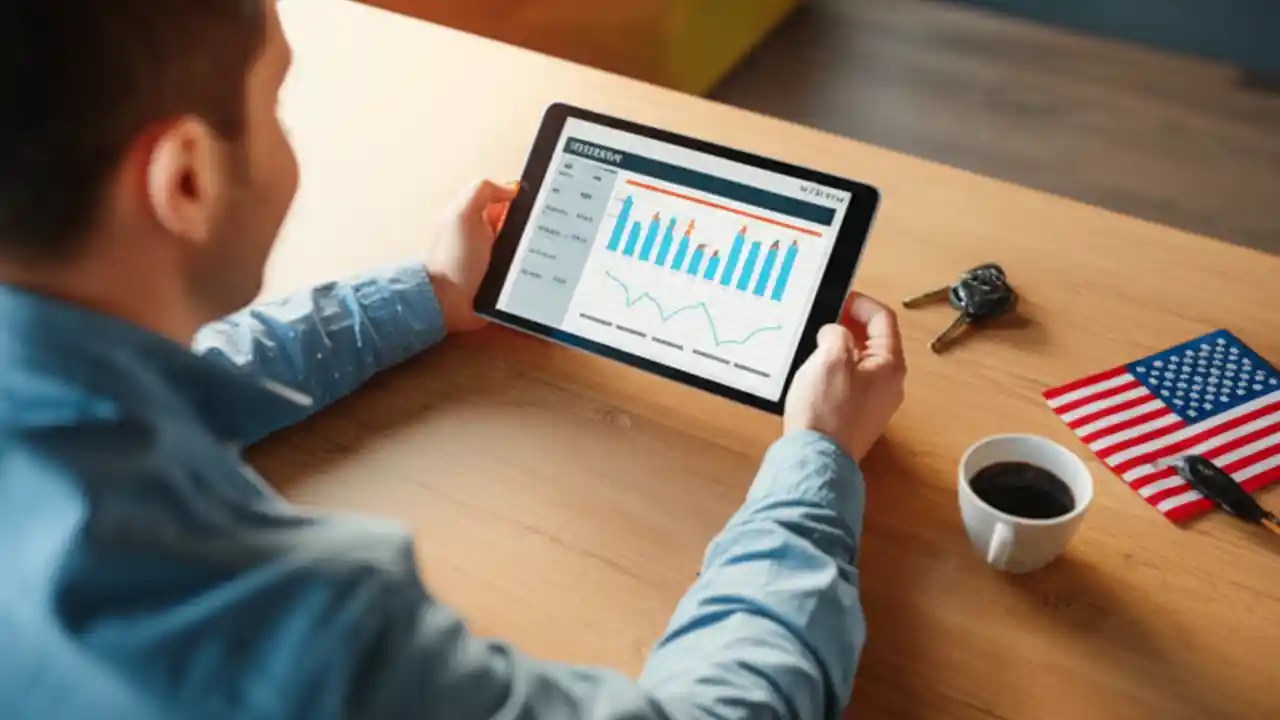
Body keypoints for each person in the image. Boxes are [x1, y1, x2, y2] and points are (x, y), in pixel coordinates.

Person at [0, 1, 905, 718]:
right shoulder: (290, 634)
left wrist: (427, 293)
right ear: (187, 179)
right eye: (275, 103)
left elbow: (160, 376)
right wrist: (815, 466)